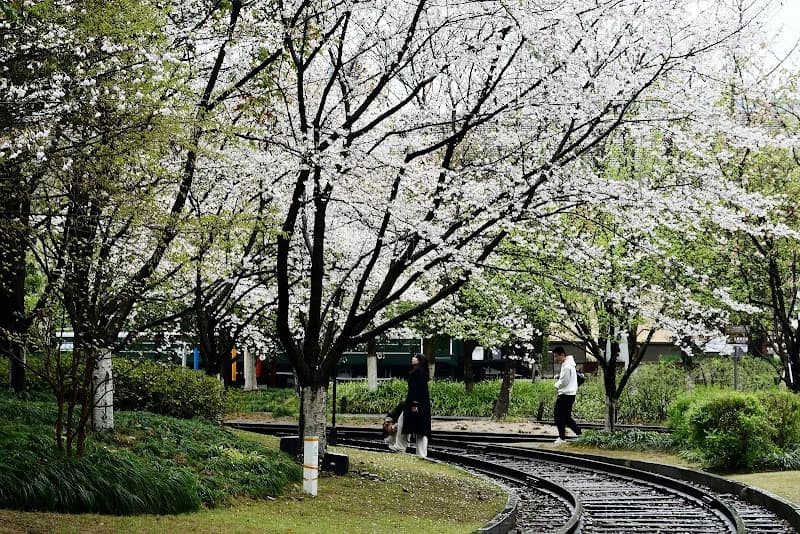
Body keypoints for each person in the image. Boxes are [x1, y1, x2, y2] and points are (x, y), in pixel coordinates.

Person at [400, 353, 431, 458]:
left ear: (419, 361)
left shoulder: (417, 373)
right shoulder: (423, 373)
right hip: (422, 404)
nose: (412, 358)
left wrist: (414, 404)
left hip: (416, 405)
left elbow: (415, 390)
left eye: (415, 357)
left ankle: (418, 453)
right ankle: (421, 453)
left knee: (418, 429)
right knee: (421, 429)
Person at [552, 346, 582, 445]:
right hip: (569, 394)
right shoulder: (569, 364)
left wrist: (556, 385)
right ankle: (579, 434)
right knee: (566, 417)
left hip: (565, 394)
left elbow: (564, 382)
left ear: (562, 355)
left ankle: (562, 437)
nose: (555, 359)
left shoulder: (567, 366)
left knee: (558, 416)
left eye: (556, 356)